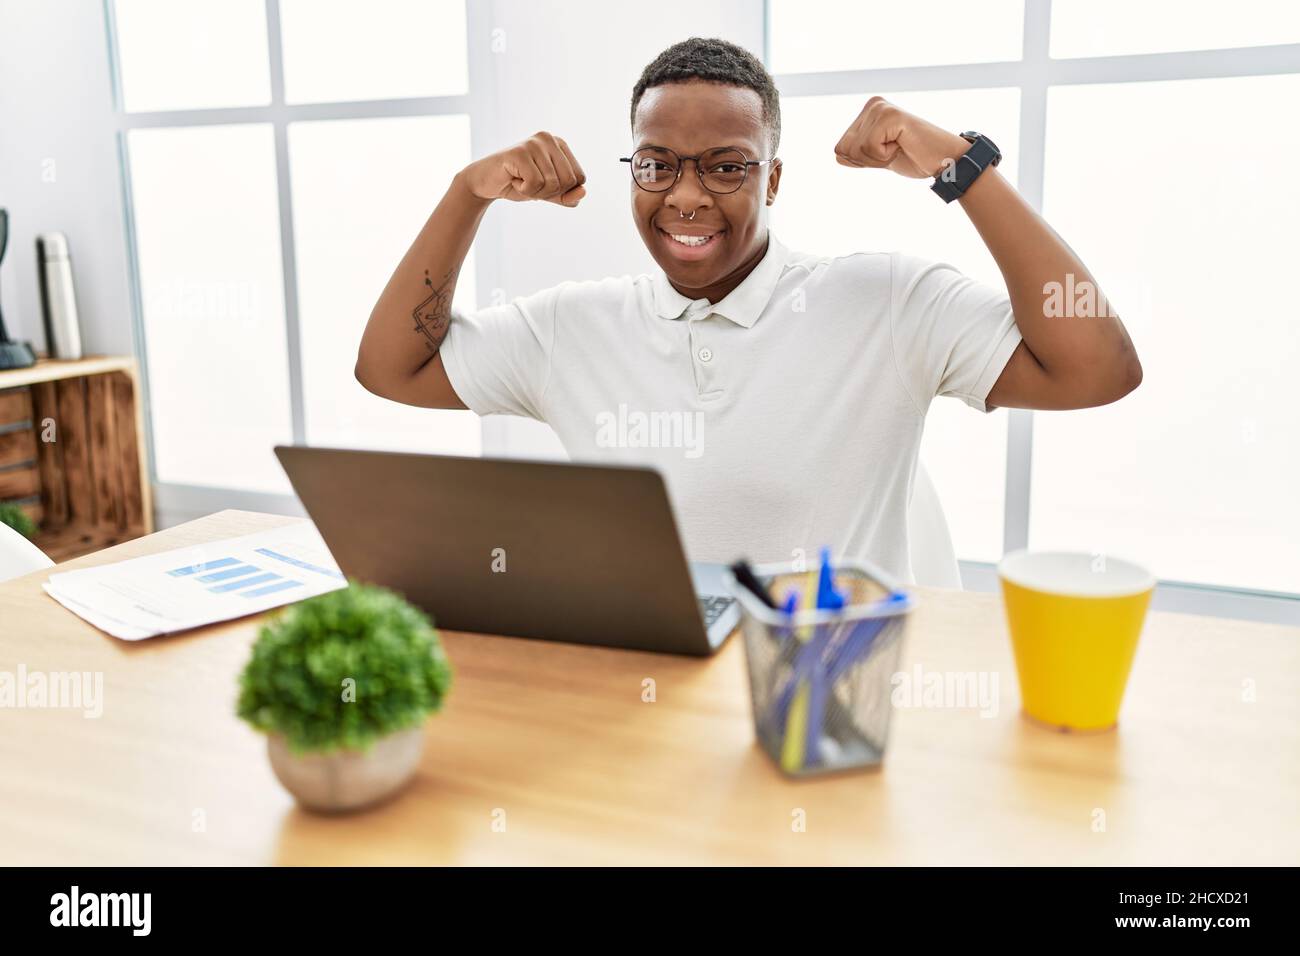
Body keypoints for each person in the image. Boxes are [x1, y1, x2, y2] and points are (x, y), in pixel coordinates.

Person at [355, 37, 1141, 583]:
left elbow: (1096, 368)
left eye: (726, 167)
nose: (687, 196)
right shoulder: (571, 328)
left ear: (772, 180)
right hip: (657, 702)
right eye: (657, 165)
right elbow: (391, 367)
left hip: (831, 702)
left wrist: (963, 167)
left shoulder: (887, 302)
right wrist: (468, 195)